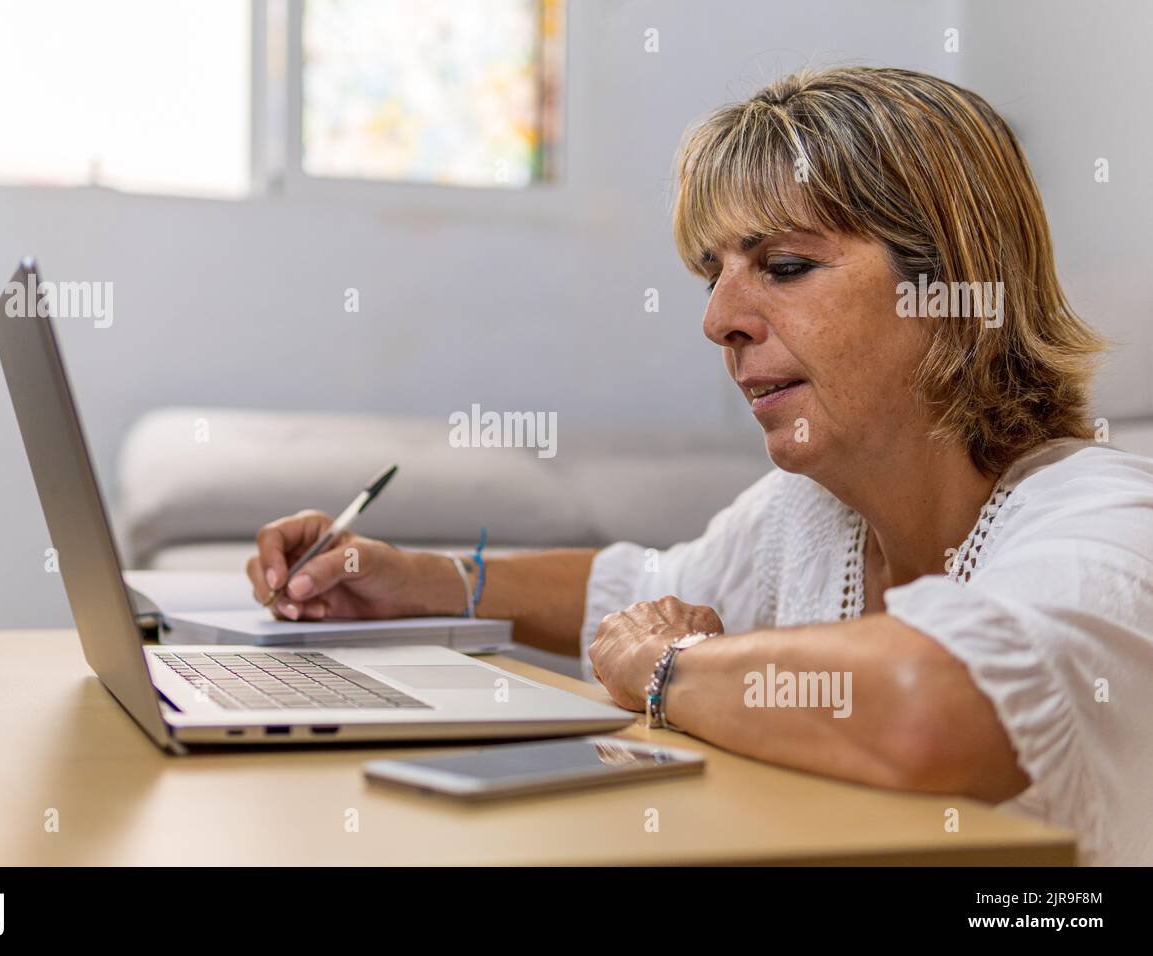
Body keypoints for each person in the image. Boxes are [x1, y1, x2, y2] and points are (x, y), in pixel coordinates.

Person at [245, 67, 1153, 865]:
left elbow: (931, 707)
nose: (718, 318)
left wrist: (671, 669)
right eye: (711, 275)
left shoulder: (1108, 519)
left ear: (954, 293)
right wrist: (415, 579)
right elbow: (635, 586)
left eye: (786, 265)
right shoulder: (809, 513)